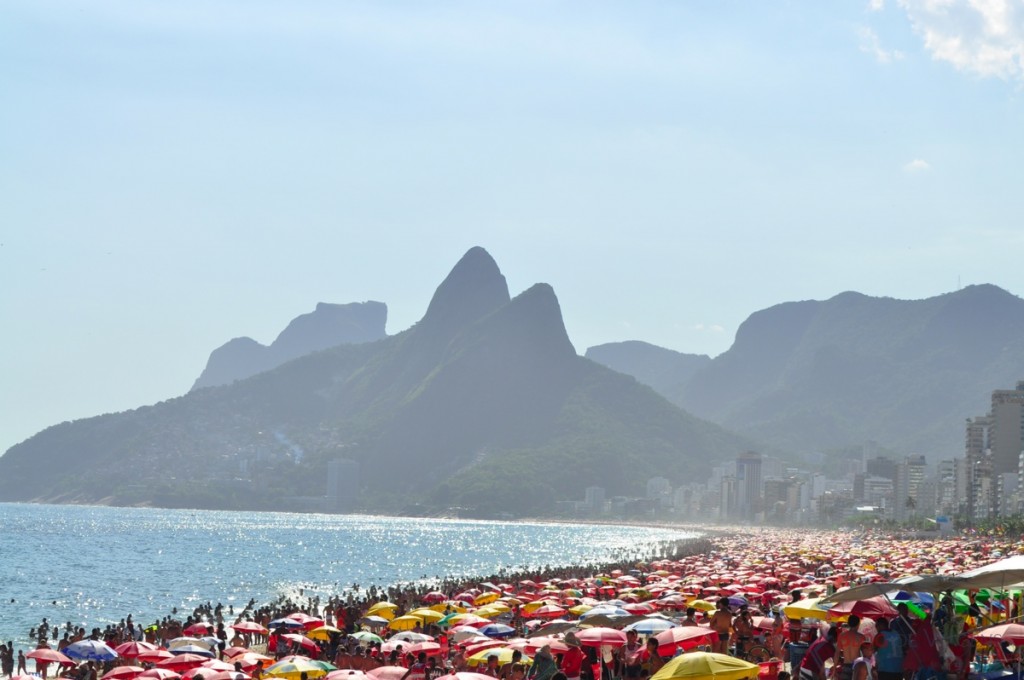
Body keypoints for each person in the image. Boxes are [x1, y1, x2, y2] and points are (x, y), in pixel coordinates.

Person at [834, 616, 866, 680]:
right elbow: (865, 654)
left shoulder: (842, 636)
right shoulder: (861, 637)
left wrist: (834, 668)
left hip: (846, 666)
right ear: (858, 624)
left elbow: (837, 654)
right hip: (857, 666)